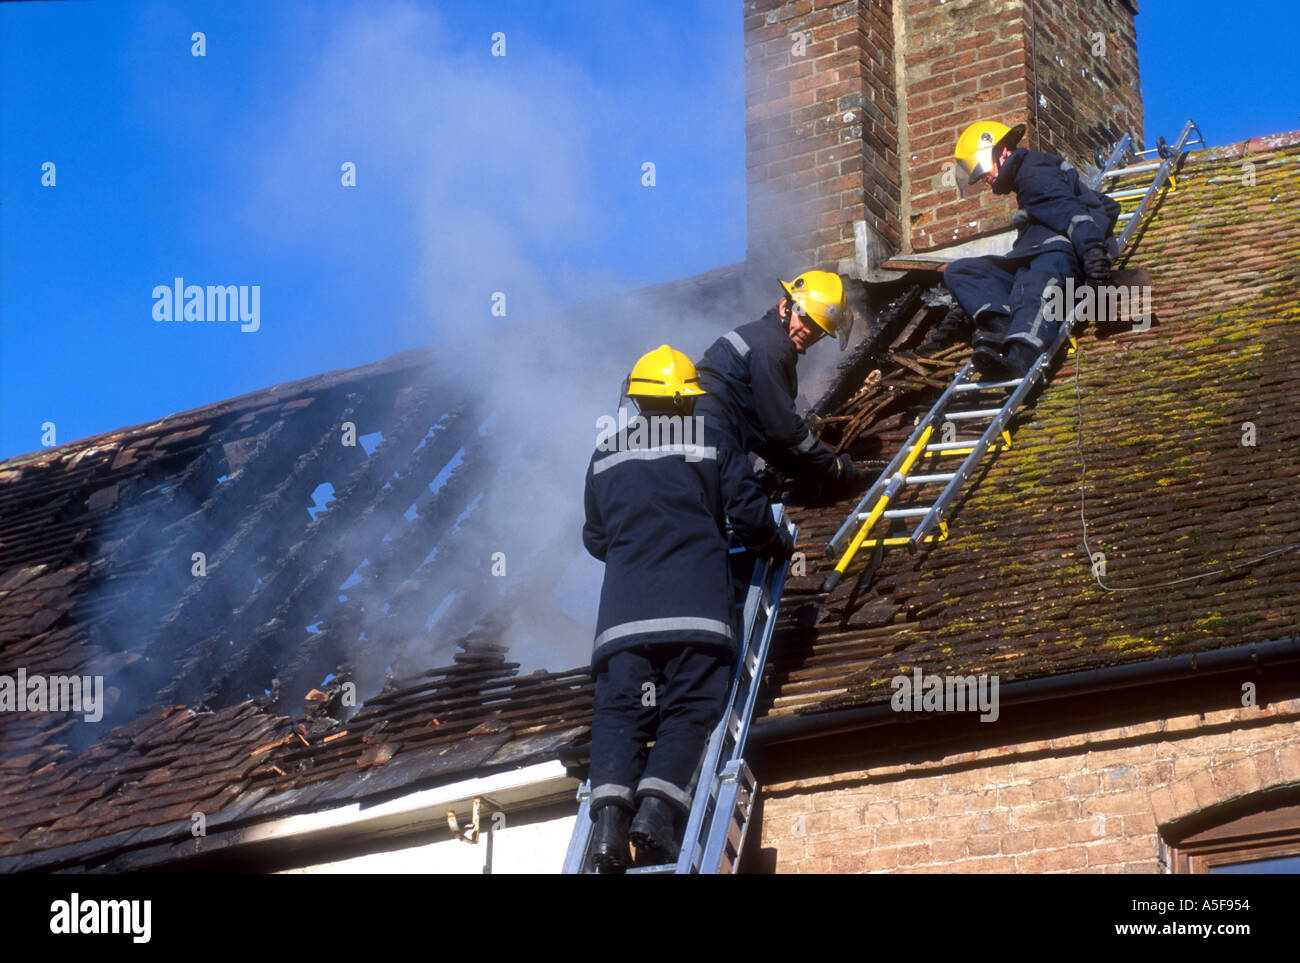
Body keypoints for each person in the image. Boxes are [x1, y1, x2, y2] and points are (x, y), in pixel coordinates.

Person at [582, 345, 793, 869]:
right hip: (696, 614)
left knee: (618, 715)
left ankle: (608, 830)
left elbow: (595, 538)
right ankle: (656, 812)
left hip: (622, 623)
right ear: (685, 401)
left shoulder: (605, 453)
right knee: (689, 709)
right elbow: (747, 514)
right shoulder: (712, 440)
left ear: (635, 399)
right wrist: (775, 544)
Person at [941, 120, 1121, 380]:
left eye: (979, 167)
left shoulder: (1034, 170)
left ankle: (1020, 360)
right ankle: (1001, 326)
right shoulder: (1025, 181)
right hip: (1034, 257)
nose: (981, 178)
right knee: (962, 272)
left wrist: (1095, 261)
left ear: (1001, 151)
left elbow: (1073, 215)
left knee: (1033, 284)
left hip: (1059, 259)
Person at [694, 269, 869, 494]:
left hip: (701, 440)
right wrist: (832, 468)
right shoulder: (772, 348)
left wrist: (805, 470)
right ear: (785, 307)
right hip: (708, 440)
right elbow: (783, 429)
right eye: (805, 318)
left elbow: (767, 437)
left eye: (817, 329)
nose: (808, 331)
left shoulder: (763, 338)